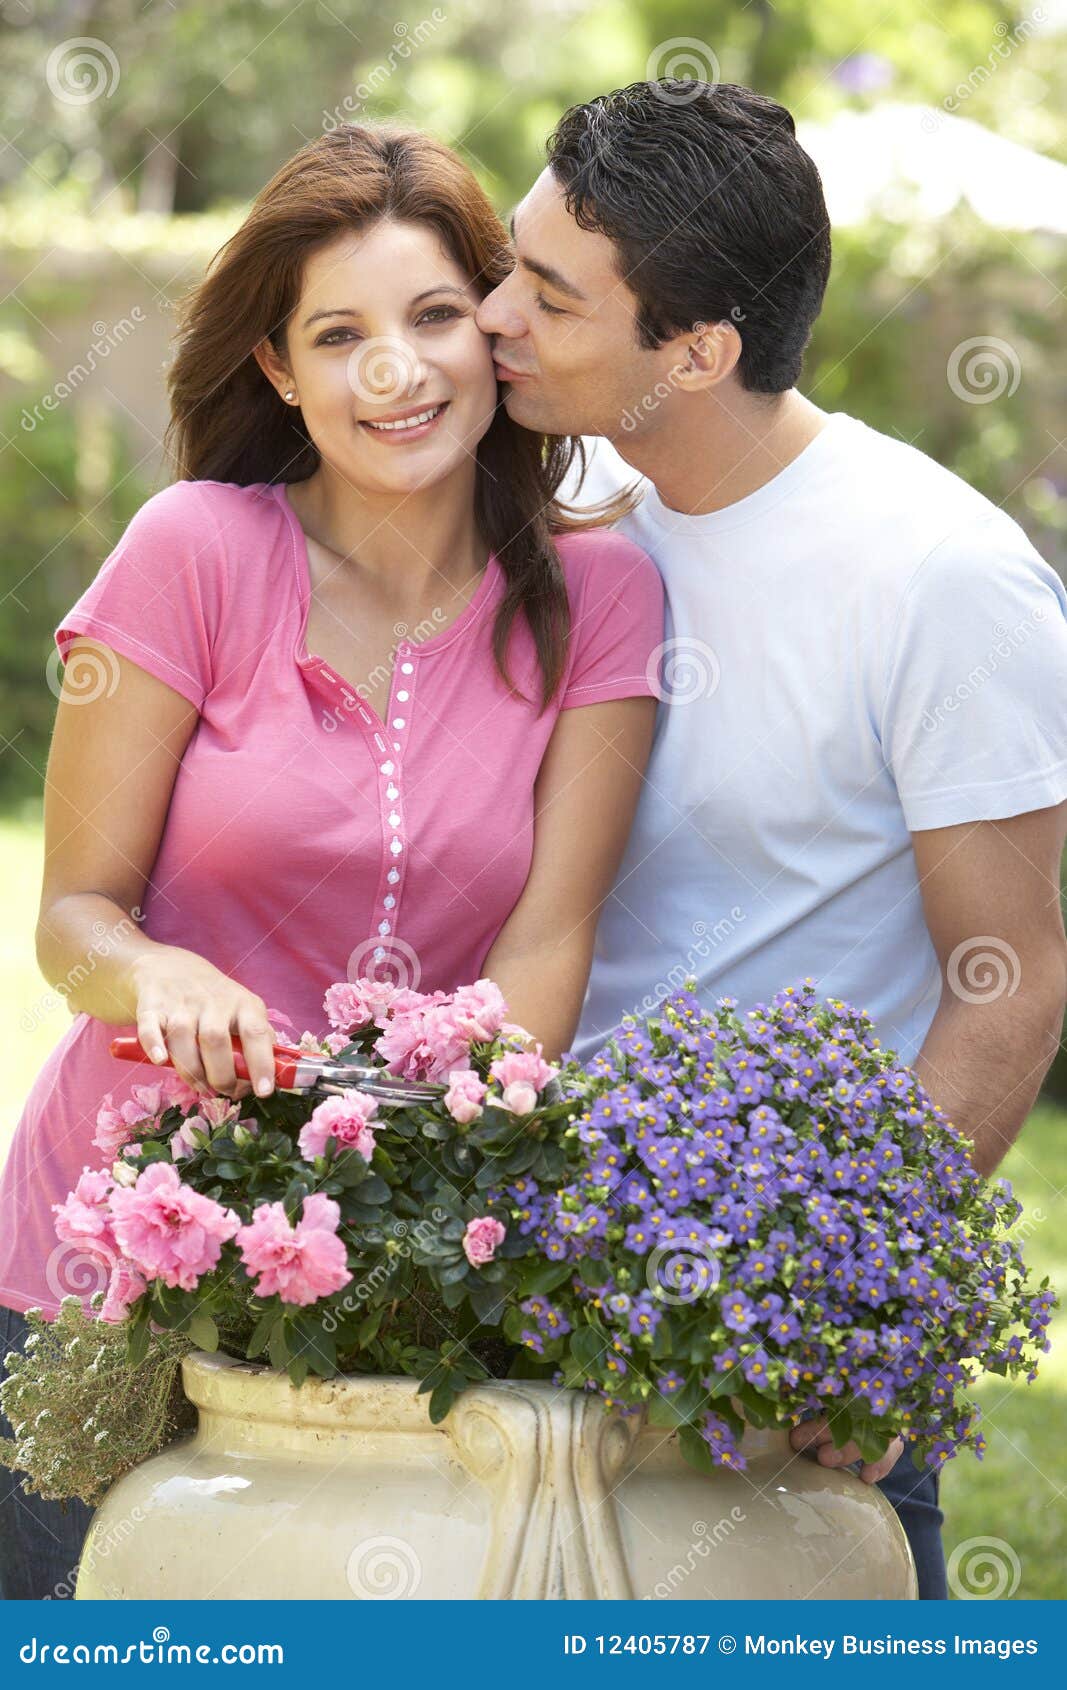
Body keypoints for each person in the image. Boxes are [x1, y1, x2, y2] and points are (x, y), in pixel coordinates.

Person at [0, 122, 666, 1599]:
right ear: (280, 372)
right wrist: (157, 969)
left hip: (394, 1261)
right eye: (339, 334)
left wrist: (427, 1178)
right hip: (109, 1243)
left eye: (435, 317)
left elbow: (551, 936)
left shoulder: (601, 593)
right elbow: (71, 917)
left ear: (496, 329)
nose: (399, 371)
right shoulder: (190, 550)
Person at [475, 78, 1067, 1600]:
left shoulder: (939, 577)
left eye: (546, 294)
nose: (491, 316)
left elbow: (1007, 979)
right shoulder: (575, 506)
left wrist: (853, 1319)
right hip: (515, 1287)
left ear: (699, 351)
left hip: (770, 1327)